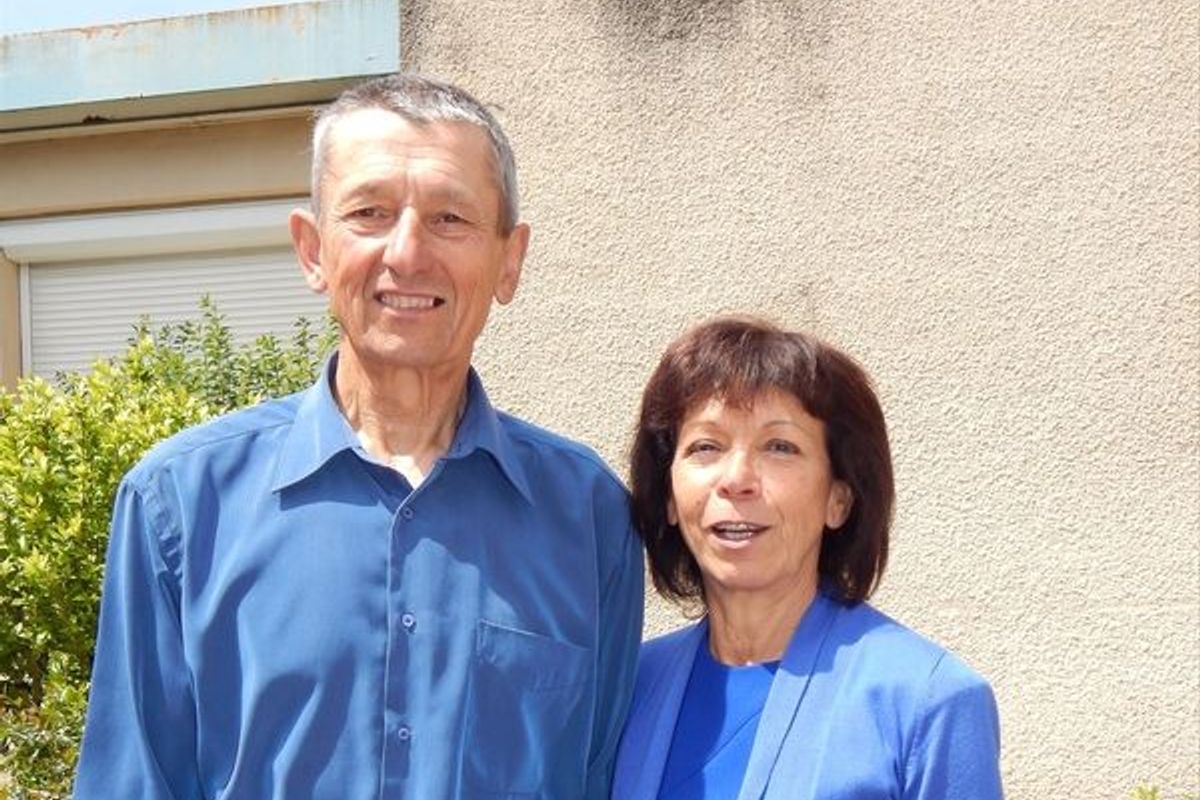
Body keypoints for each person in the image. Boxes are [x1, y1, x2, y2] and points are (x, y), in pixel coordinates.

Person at [73, 74, 643, 799]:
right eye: (370, 212)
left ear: (510, 260)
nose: (407, 253)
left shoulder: (588, 515)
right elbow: (130, 783)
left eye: (450, 219)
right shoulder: (178, 506)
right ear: (312, 250)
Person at [613, 316, 1003, 799]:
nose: (736, 479)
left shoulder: (929, 701)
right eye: (706, 446)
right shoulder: (626, 688)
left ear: (838, 498)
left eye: (780, 447)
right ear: (670, 496)